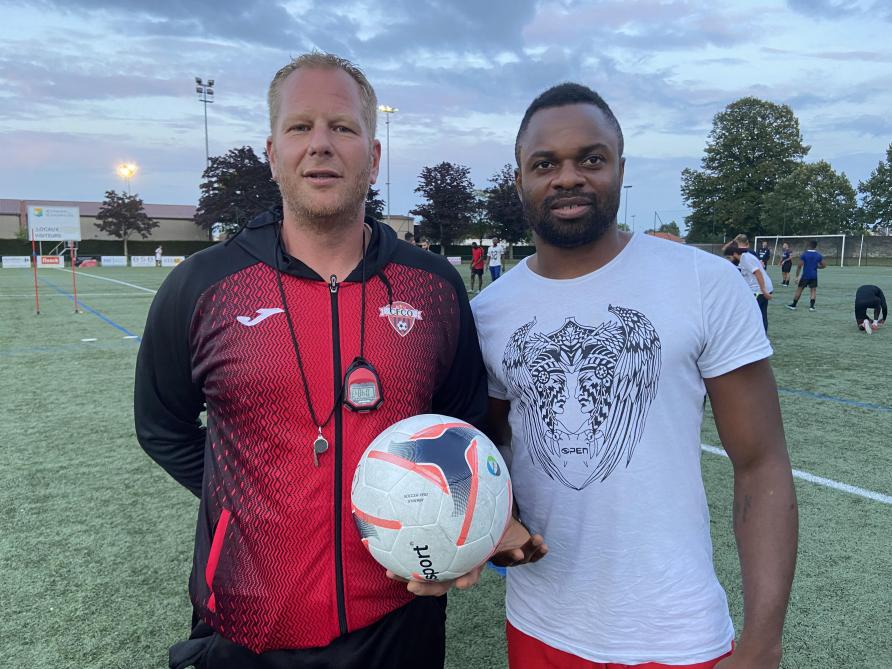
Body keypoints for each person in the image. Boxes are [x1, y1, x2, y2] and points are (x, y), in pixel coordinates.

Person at [135, 52, 508, 669]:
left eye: (343, 127)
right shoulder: (204, 286)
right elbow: (161, 425)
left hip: (397, 616)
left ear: (375, 155)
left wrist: (454, 528)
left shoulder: (433, 286)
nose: (321, 146)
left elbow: (464, 424)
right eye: (300, 127)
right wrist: (245, 503)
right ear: (272, 151)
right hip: (247, 619)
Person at [472, 83, 797, 668]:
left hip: (677, 633)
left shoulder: (704, 283)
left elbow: (761, 462)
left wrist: (762, 644)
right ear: (519, 176)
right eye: (545, 163)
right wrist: (500, 529)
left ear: (621, 168)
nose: (567, 177)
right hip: (539, 626)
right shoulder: (490, 313)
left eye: (590, 159)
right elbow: (488, 450)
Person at [723, 242, 774, 333]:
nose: (729, 260)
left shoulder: (745, 258)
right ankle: (762, 336)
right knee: (761, 314)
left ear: (735, 254)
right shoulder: (743, 257)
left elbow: (758, 273)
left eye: (729, 257)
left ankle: (754, 336)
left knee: (749, 313)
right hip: (761, 289)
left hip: (759, 290)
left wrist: (764, 291)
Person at [786, 240, 826, 311]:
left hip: (805, 276)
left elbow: (799, 266)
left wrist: (797, 276)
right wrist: (817, 267)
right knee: (813, 290)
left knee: (799, 289)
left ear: (809, 245)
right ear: (815, 246)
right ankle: (812, 307)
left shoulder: (804, 254)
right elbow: (824, 265)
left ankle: (793, 305)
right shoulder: (818, 255)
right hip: (814, 276)